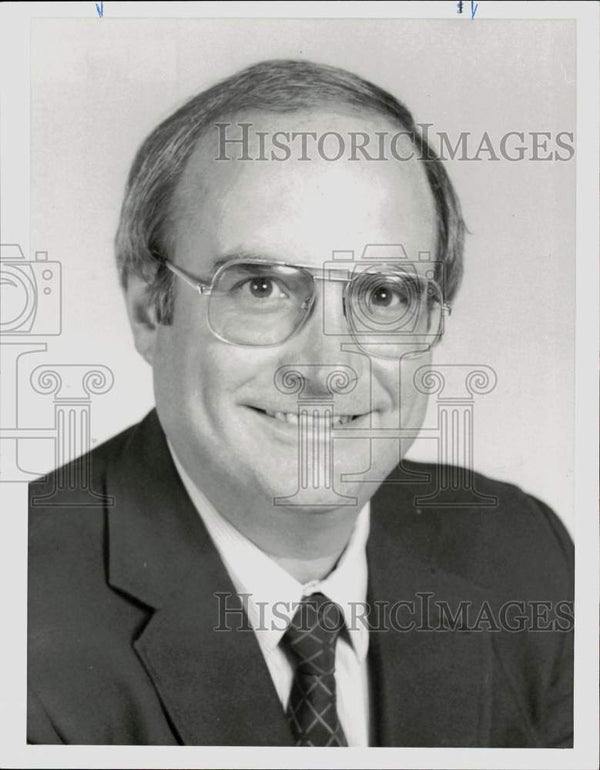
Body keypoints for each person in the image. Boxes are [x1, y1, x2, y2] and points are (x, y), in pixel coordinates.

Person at [27, 59, 573, 747]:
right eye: (261, 287)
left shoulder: (523, 556)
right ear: (148, 307)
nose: (327, 368)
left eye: (382, 296)